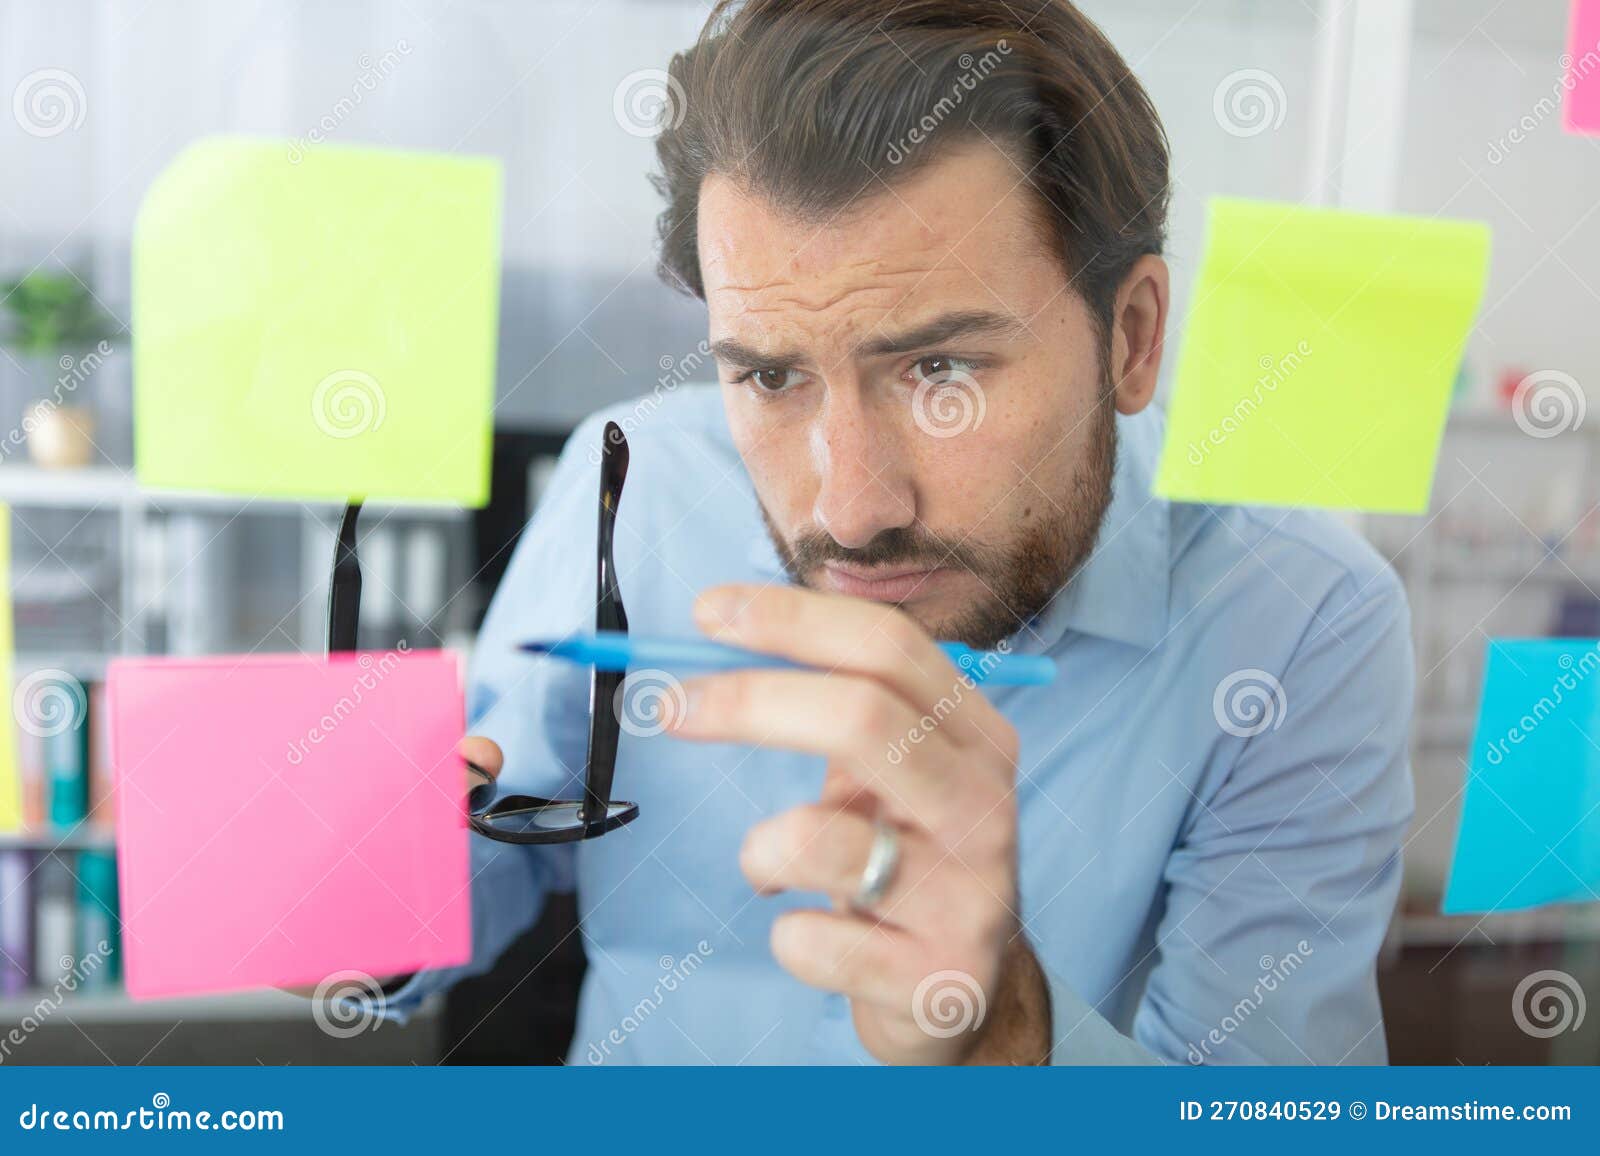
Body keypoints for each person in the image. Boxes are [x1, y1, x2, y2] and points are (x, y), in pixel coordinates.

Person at [381, 0, 1414, 1064]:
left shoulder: (1299, 625)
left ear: (1132, 337)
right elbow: (481, 849)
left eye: (941, 370)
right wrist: (353, 899)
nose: (850, 508)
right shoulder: (630, 487)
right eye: (772, 375)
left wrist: (1009, 1035)